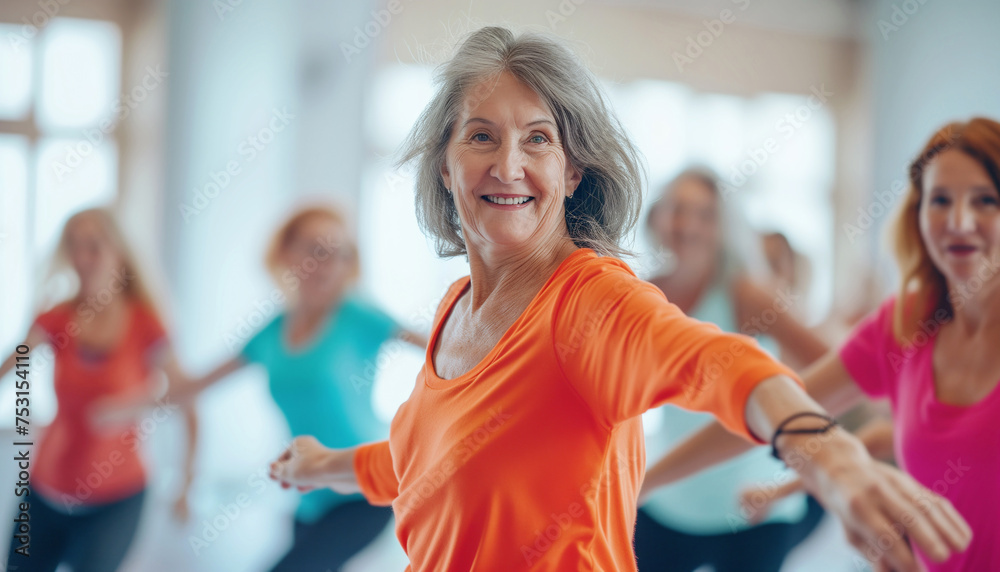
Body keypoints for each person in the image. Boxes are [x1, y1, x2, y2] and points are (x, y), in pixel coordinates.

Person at [268, 27, 970, 572]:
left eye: (537, 140)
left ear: (572, 173)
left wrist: (831, 456)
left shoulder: (590, 301)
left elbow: (720, 363)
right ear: (445, 166)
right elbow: (421, 459)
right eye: (481, 136)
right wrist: (323, 463)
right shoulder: (455, 308)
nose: (508, 165)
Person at [642, 117, 1000, 571]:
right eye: (941, 200)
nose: (959, 222)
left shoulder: (743, 292)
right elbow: (764, 404)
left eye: (985, 200)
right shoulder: (904, 324)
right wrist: (639, 483)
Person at [174, 205, 426, 571]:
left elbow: (442, 349)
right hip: (308, 496)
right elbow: (193, 386)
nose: (328, 264)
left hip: (364, 490)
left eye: (340, 253)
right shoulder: (271, 332)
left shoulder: (359, 316)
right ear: (285, 253)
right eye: (315, 250)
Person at [633, 169, 828, 572]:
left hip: (754, 508)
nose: (688, 225)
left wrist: (793, 431)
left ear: (723, 227)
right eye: (677, 210)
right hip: (668, 499)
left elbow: (833, 368)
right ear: (656, 217)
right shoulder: (645, 294)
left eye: (704, 214)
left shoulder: (746, 293)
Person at [0, 208, 196, 572]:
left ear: (118, 252)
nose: (81, 258)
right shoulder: (56, 319)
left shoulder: (146, 325)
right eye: (73, 246)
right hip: (44, 490)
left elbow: (187, 399)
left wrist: (186, 484)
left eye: (93, 247)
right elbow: (9, 366)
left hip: (116, 499)